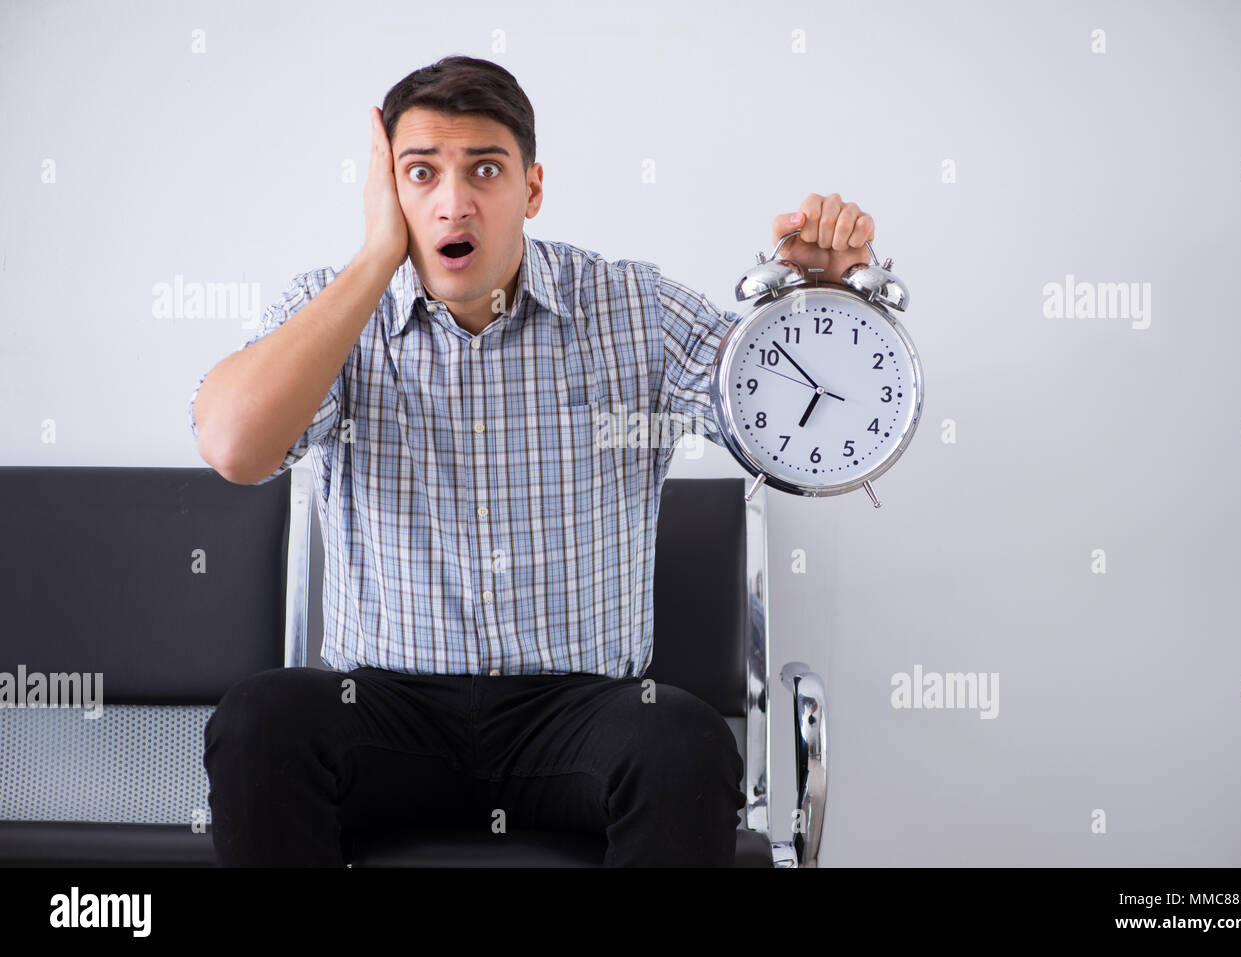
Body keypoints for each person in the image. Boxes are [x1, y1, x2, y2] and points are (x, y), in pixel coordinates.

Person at [189, 54, 876, 867]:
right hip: (382, 709)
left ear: (533, 188)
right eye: (421, 173)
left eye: (485, 168)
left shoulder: (632, 307)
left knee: (681, 738)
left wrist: (819, 306)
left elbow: (801, 440)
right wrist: (376, 258)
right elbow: (234, 448)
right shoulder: (334, 311)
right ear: (390, 192)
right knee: (263, 717)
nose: (453, 202)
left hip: (580, 715)